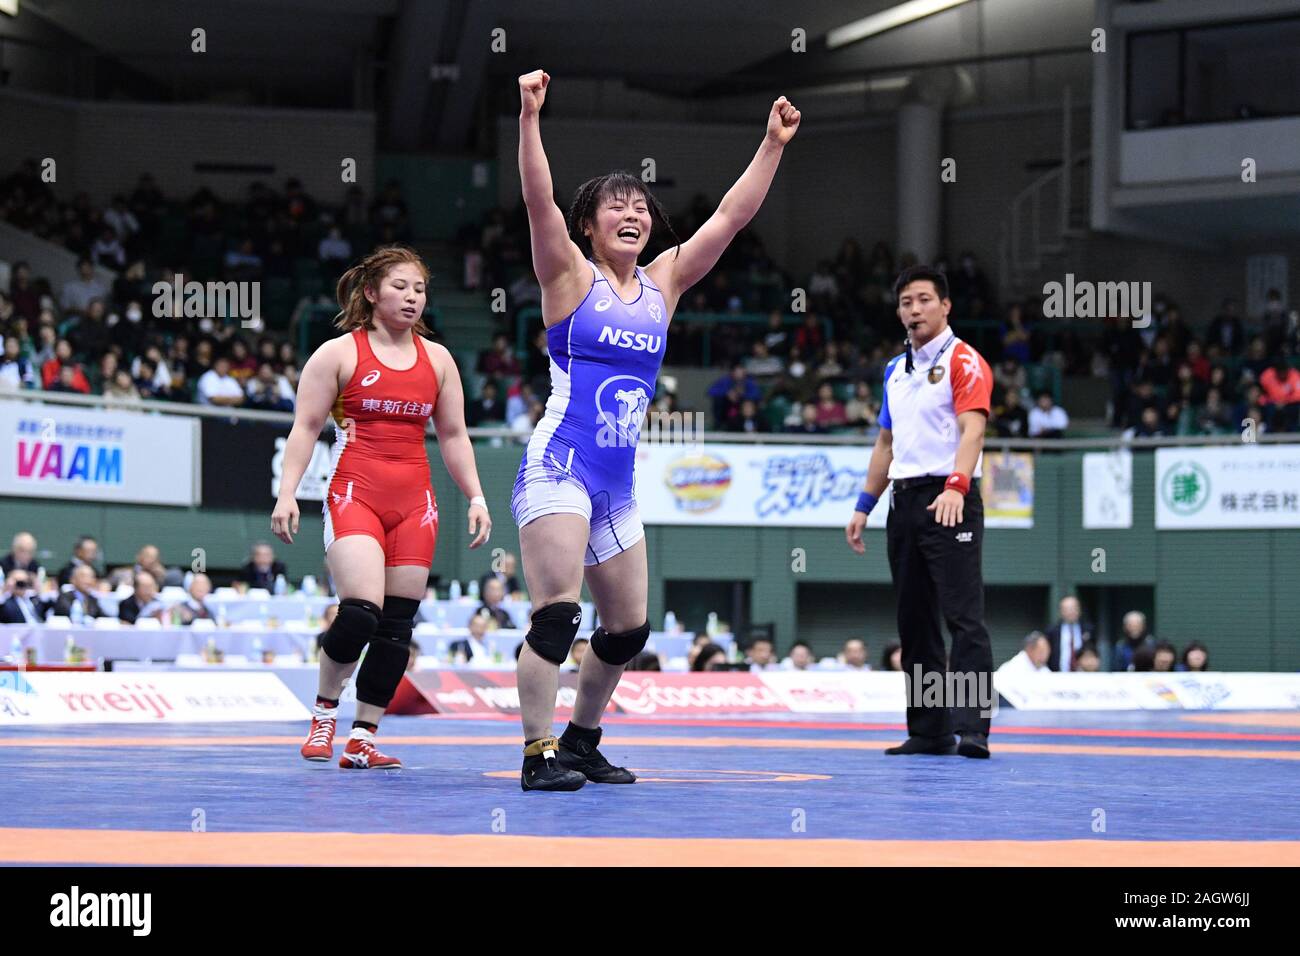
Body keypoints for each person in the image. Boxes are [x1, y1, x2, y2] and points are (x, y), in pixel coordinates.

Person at [508, 69, 799, 791]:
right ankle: (537, 752)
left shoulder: (664, 282)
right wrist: (529, 117)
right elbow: (538, 199)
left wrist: (771, 144)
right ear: (589, 225)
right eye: (615, 206)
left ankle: (580, 740)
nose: (632, 213)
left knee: (628, 630)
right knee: (556, 619)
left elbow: (730, 217)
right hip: (561, 467)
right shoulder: (570, 277)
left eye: (640, 205)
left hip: (617, 486)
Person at [274, 244, 489, 770]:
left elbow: (455, 435)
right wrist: (286, 493)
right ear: (370, 293)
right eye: (400, 287)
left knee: (397, 626)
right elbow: (304, 428)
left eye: (419, 289)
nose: (413, 297)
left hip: (416, 501)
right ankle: (325, 713)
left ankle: (363, 736)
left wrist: (477, 496)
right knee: (360, 611)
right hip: (356, 492)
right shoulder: (338, 354)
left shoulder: (438, 360)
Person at [845, 264, 996, 759]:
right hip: (904, 499)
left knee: (962, 617)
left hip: (950, 496)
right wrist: (864, 505)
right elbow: (885, 442)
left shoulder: (964, 360)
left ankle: (972, 728)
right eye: (907, 301)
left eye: (925, 299)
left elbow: (973, 431)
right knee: (915, 621)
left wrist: (956, 485)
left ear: (946, 305)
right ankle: (930, 729)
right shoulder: (894, 371)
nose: (915, 309)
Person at [1045, 595, 1094, 672]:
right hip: (1057, 674)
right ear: (1061, 611)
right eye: (1067, 609)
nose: (1071, 612)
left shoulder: (1088, 629)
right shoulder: (1052, 630)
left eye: (1074, 608)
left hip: (1082, 674)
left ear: (1079, 610)